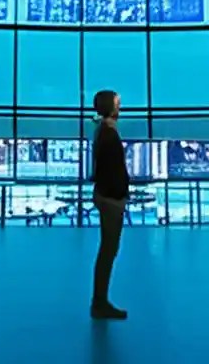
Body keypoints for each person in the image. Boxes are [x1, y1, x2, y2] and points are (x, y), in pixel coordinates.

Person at [90, 89, 129, 320]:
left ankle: (100, 301)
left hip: (107, 196)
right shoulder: (109, 134)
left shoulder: (103, 132)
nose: (119, 108)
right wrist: (120, 194)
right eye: (117, 104)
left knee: (107, 249)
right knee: (108, 250)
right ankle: (100, 302)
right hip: (111, 199)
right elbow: (113, 171)